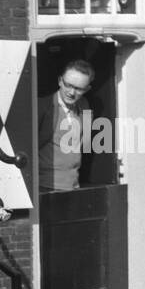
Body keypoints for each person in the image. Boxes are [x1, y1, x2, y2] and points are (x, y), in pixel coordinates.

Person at [38, 61, 94, 193]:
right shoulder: (41, 106)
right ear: (60, 81)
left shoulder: (84, 106)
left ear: (87, 89)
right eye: (68, 85)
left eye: (79, 88)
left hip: (74, 185)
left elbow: (84, 144)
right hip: (44, 186)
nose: (71, 92)